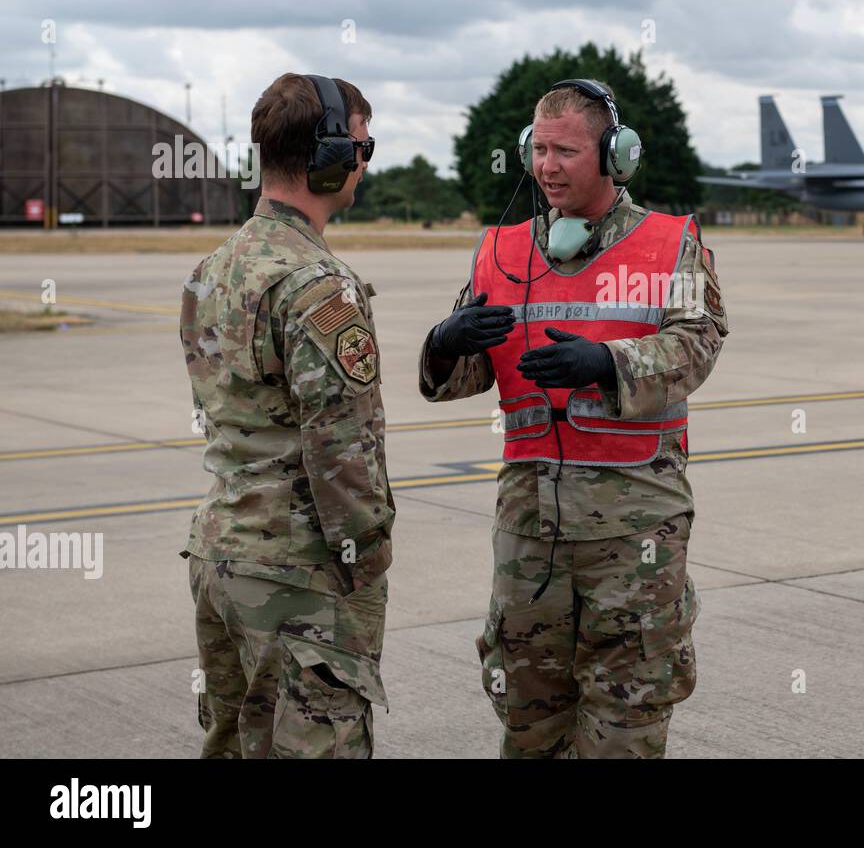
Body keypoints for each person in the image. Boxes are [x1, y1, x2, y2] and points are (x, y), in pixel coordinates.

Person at [419, 79, 727, 758]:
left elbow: (697, 344)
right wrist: (444, 344)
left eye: (567, 150)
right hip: (531, 531)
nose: (548, 166)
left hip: (636, 529)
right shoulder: (499, 252)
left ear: (615, 157)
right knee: (528, 720)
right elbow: (466, 376)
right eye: (540, 149)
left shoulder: (668, 243)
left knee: (627, 721)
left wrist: (607, 363)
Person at [179, 73, 394, 759]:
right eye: (362, 147)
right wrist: (367, 565)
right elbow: (344, 453)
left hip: (222, 558)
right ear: (330, 156)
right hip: (296, 581)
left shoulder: (212, 269)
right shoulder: (318, 286)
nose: (363, 164)